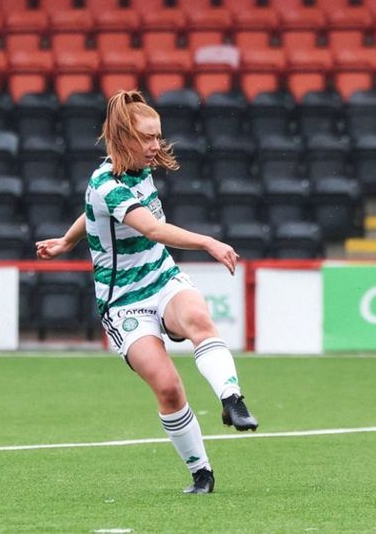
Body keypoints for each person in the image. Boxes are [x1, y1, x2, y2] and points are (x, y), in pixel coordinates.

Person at [35, 90, 259, 494]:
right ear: (123, 138)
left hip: (163, 278)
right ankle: (201, 472)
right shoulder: (106, 184)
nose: (156, 146)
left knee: (199, 320)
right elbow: (150, 228)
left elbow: (89, 213)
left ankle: (232, 399)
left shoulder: (140, 169)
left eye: (158, 136)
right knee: (168, 387)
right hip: (123, 303)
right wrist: (208, 241)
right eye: (147, 138)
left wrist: (67, 241)